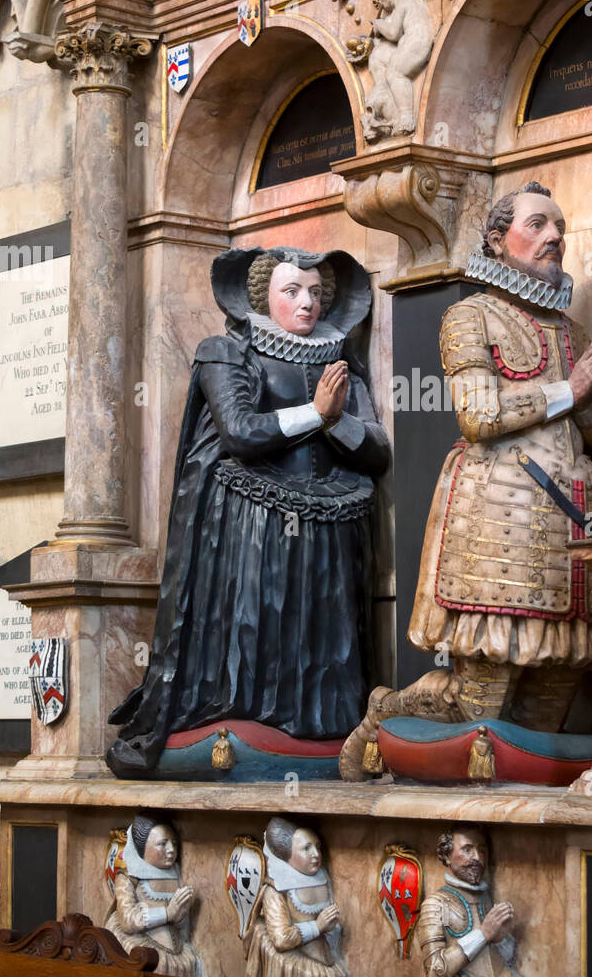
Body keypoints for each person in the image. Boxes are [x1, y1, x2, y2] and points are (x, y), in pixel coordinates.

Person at [106, 246, 390, 778]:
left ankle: (323, 731)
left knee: (322, 643)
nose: (307, 303)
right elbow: (238, 432)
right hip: (250, 527)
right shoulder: (227, 351)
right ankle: (248, 719)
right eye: (292, 291)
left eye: (316, 292)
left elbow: (376, 450)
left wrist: (334, 423)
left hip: (330, 530)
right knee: (260, 628)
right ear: (263, 296)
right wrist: (314, 413)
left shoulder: (340, 361)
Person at [407, 181, 592, 732]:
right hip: (498, 524)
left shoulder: (574, 333)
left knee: (548, 711)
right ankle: (383, 720)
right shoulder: (470, 317)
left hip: (572, 533)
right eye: (538, 225)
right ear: (498, 241)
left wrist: (589, 403)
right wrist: (570, 392)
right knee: (476, 707)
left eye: (560, 230)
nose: (554, 237)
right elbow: (477, 416)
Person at [416, 826, 563, 977]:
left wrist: (501, 938)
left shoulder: (485, 900)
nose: (476, 858)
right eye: (467, 849)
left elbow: (498, 961)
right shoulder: (436, 905)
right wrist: (483, 934)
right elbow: (436, 972)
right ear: (447, 855)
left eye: (481, 850)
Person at [244, 816, 348, 977]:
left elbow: (331, 928)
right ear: (285, 855)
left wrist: (331, 930)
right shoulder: (275, 891)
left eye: (318, 847)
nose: (315, 854)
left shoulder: (321, 881)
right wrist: (317, 927)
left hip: (324, 970)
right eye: (306, 848)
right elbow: (280, 938)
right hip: (293, 976)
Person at [104, 814, 201, 977]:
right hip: (136, 944)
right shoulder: (127, 877)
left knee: (185, 968)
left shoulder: (173, 873)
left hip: (172, 948)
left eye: (174, 844)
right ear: (142, 848)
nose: (171, 850)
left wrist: (179, 916)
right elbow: (128, 919)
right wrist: (168, 913)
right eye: (162, 844)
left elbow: (181, 926)